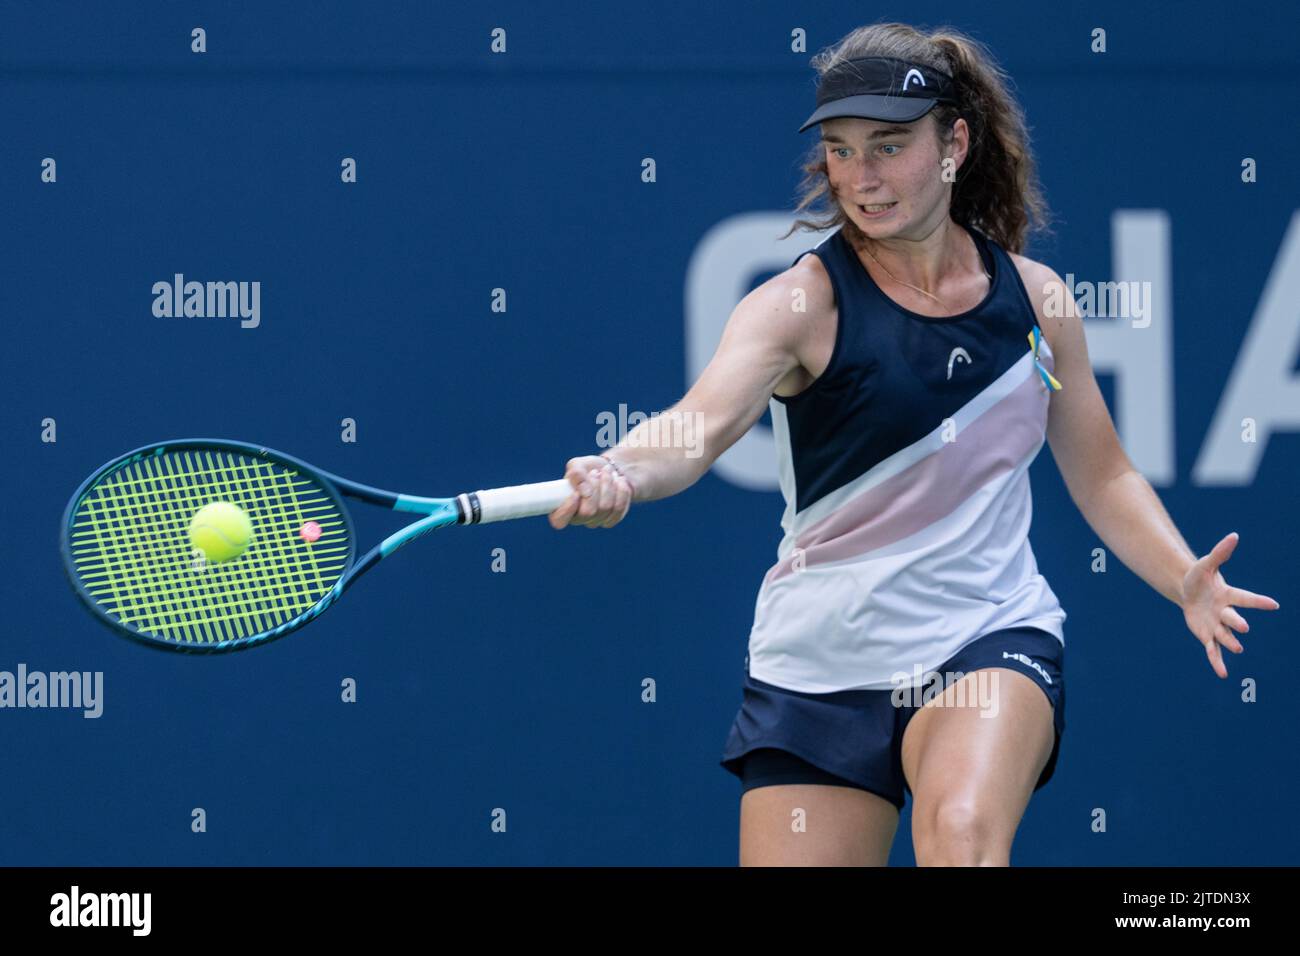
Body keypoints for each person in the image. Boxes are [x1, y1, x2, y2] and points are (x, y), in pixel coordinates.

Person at [547, 22, 1279, 866]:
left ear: (953, 144)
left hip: (987, 634)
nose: (862, 178)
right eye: (842, 151)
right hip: (820, 669)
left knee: (962, 836)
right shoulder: (798, 304)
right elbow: (698, 424)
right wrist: (621, 469)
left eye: (889, 147)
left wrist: (1181, 575)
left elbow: (1103, 471)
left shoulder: (1039, 302)